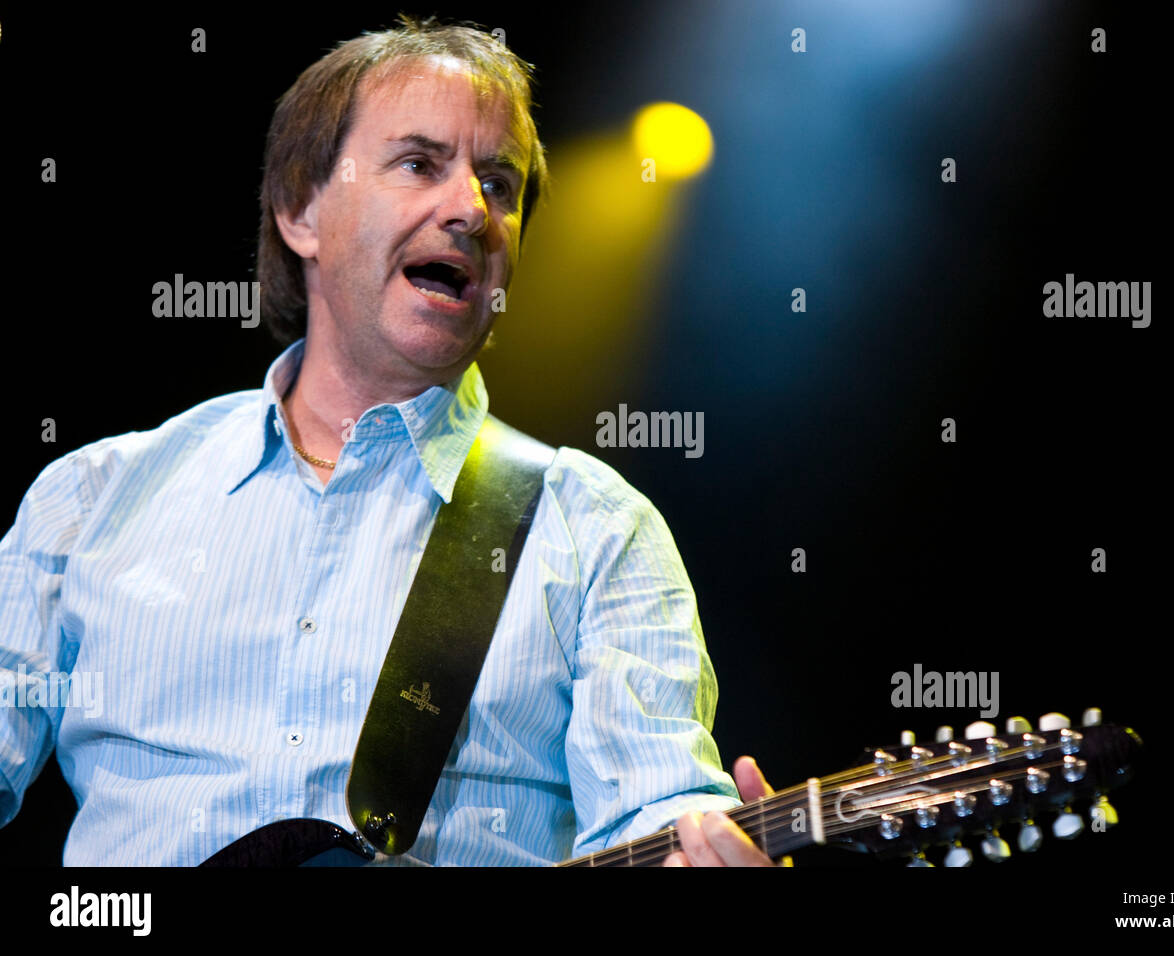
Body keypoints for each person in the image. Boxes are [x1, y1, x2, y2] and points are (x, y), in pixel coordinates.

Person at [0, 15, 781, 867]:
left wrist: (707, 855)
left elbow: (656, 812)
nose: (472, 211)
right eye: (420, 164)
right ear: (301, 209)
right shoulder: (91, 498)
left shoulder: (596, 530)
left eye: (502, 184)